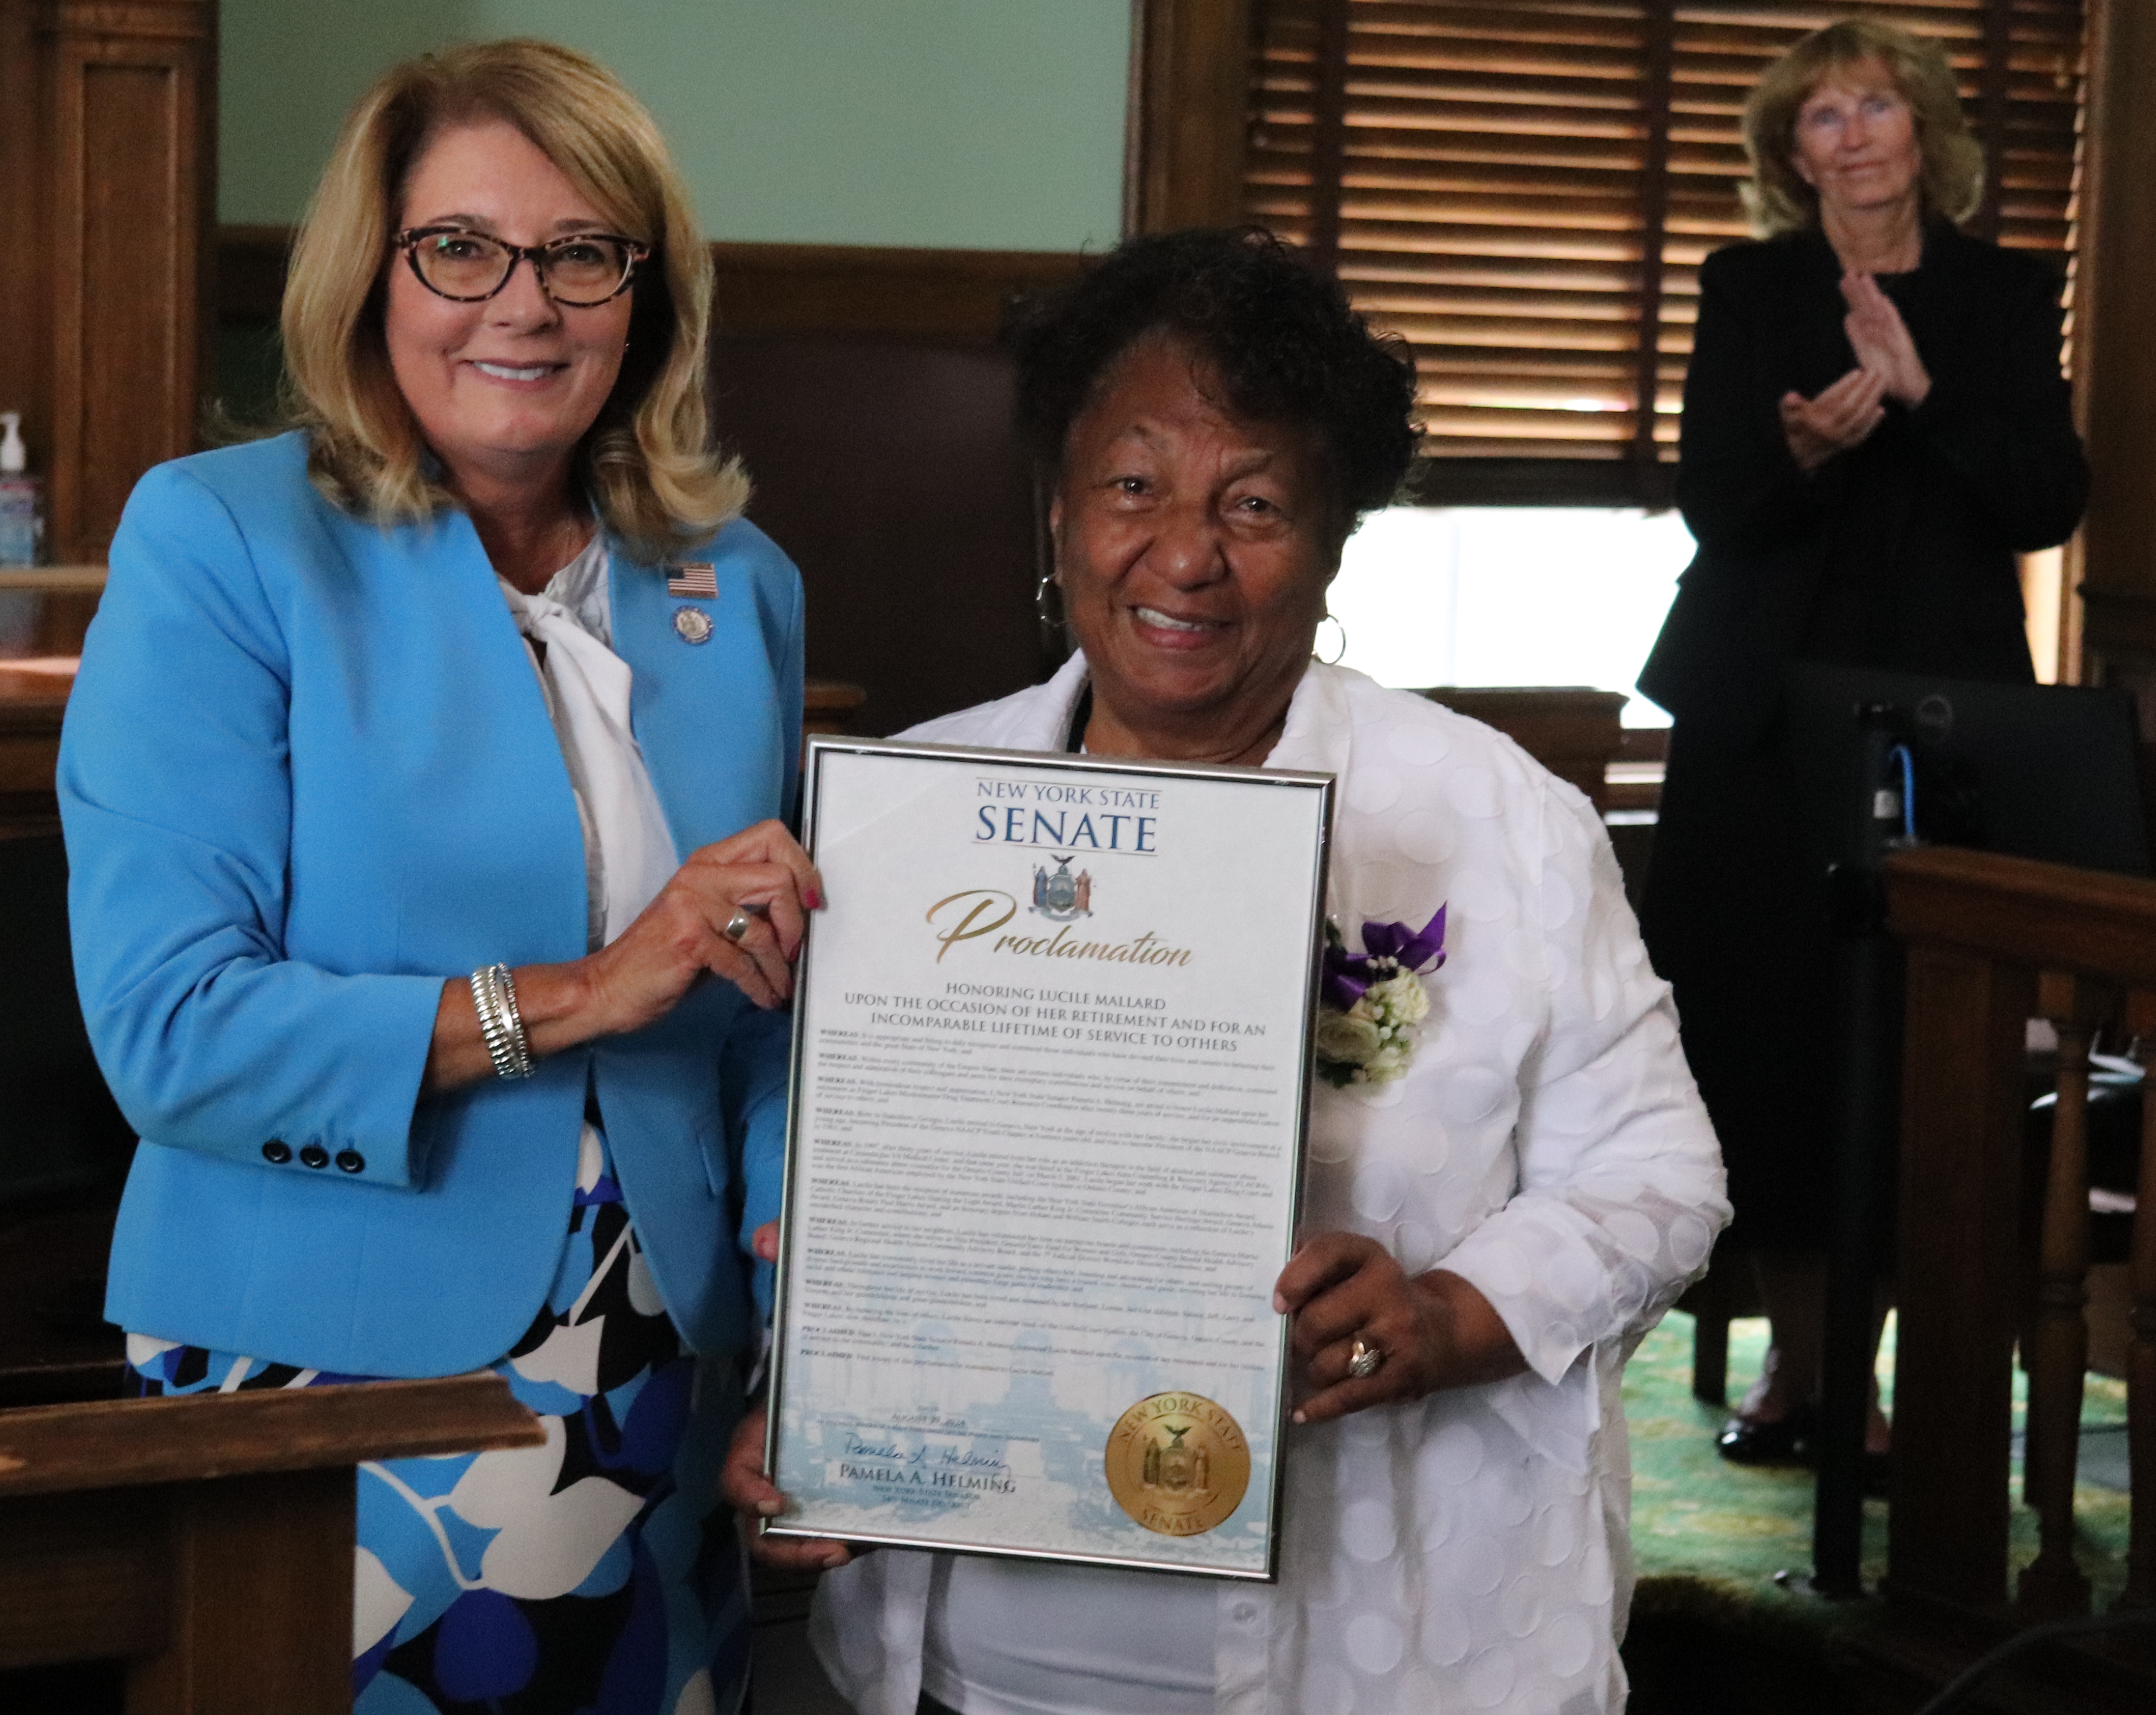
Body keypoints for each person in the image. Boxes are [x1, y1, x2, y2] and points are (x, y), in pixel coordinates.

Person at [730, 228, 1729, 1715]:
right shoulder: (912, 808)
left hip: (1372, 1635)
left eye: (1253, 503)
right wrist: (804, 1374)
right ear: (1058, 510)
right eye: (1133, 486)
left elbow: (1659, 1178)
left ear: (1332, 544)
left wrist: (1447, 1312)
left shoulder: (1494, 818)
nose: (1184, 551)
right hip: (968, 1652)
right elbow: (824, 1175)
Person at [60, 38, 820, 1715]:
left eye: (580, 254)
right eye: (460, 248)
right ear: (369, 276)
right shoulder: (224, 542)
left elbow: (776, 1019)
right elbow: (173, 1032)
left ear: (647, 294)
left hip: (670, 1384)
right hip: (339, 1366)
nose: (522, 305)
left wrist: (824, 1355)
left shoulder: (736, 585)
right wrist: (586, 994)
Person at [1636, 17, 2089, 1471]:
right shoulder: (1749, 285)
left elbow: (2044, 503)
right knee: (1762, 1040)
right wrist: (1808, 456)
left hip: (1936, 723)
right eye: (1820, 116)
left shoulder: (2005, 294)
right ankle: (1797, 1373)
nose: (1852, 135)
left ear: (1927, 130)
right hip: (1760, 717)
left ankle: (1874, 1385)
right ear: (1791, 154)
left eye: (1875, 105)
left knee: (1905, 1046)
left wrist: (1926, 402)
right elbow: (1716, 502)